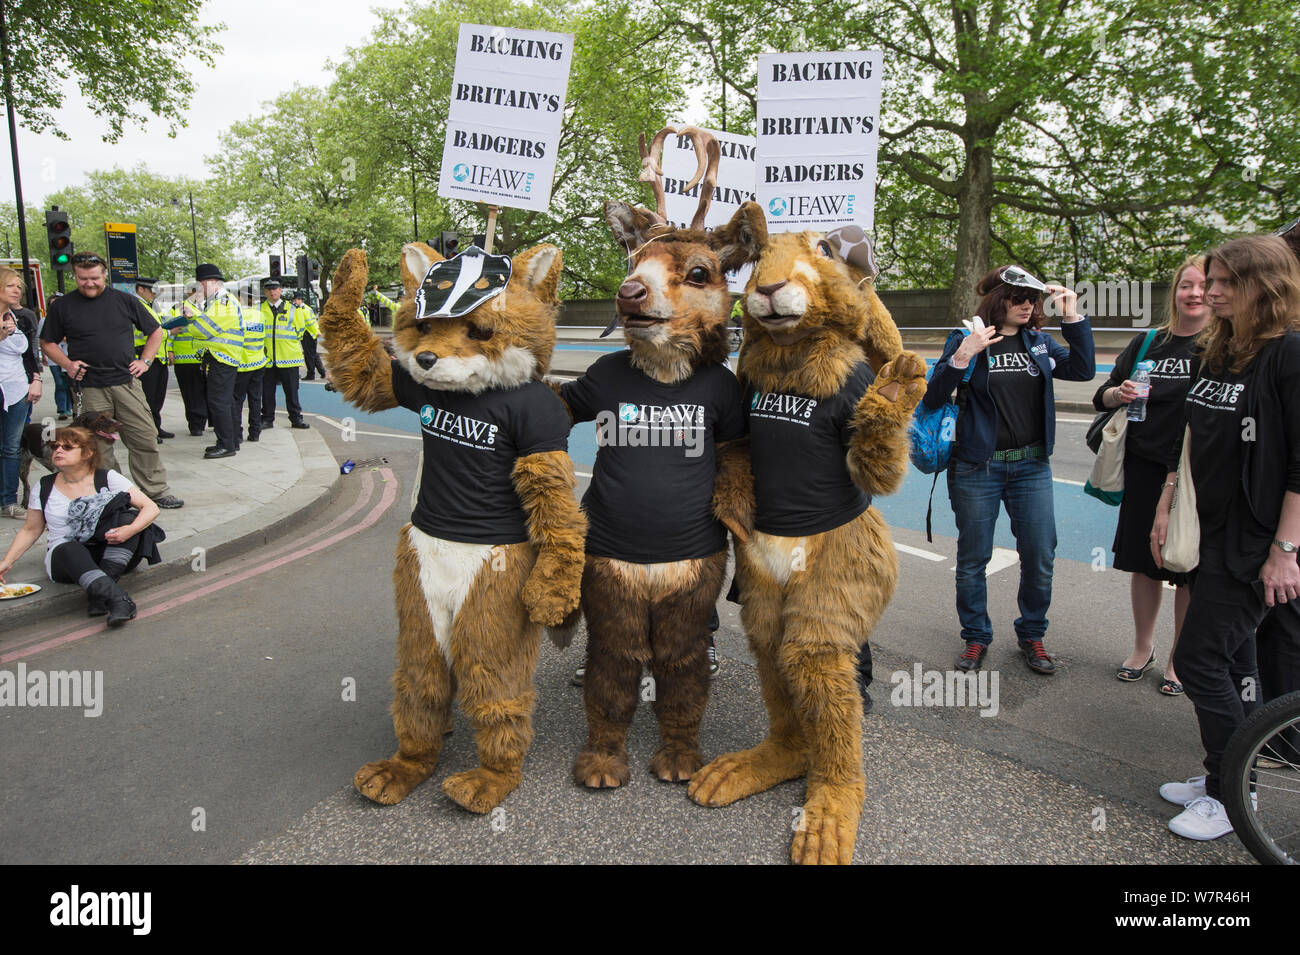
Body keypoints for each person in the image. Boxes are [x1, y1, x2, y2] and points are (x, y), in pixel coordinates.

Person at [1153, 235, 1300, 841]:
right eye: (1207, 281)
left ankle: (1229, 791)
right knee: (1235, 660)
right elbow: (1191, 442)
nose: (1209, 291)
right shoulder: (1223, 349)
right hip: (1207, 532)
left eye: (1223, 283)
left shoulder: (1287, 354)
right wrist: (1165, 506)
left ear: (1261, 287)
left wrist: (1285, 551)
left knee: (1197, 659)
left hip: (1252, 541)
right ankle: (1232, 776)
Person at [922, 265, 1095, 675]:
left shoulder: (1039, 342)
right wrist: (966, 353)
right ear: (998, 299)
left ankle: (1032, 633)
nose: (1026, 305)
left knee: (1039, 553)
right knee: (973, 557)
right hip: (977, 468)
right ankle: (976, 637)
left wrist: (1073, 314)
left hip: (1031, 466)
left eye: (1032, 299)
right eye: (1018, 298)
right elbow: (933, 397)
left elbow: (1083, 370)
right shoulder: (966, 339)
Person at [1094, 256, 1210, 694]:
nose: (1194, 293)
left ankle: (1180, 659)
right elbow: (1099, 398)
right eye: (1186, 285)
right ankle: (1143, 647)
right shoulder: (1148, 343)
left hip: (1194, 473)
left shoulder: (1221, 344)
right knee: (1145, 563)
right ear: (1175, 292)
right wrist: (1115, 393)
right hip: (1143, 468)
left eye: (1203, 286)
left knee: (1185, 564)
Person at [0, 426, 160, 626]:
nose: (58, 450)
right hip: (68, 560)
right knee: (68, 547)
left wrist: (130, 530)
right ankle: (118, 599)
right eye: (55, 446)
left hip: (112, 553)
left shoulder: (107, 477)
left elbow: (151, 507)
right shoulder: (44, 486)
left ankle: (100, 594)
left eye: (67, 447)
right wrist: (7, 561)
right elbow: (31, 529)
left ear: (87, 453)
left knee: (130, 518)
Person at [177, 263, 244, 458]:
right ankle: (230, 442)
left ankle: (226, 445)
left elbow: (204, 330)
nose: (200, 290)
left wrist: (190, 318)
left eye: (201, 285)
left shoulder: (224, 302)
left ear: (211, 282)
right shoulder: (218, 302)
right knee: (225, 402)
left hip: (222, 357)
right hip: (220, 358)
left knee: (218, 402)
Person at [1, 267, 42, 518]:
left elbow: (30, 354)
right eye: (10, 286)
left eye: (19, 287)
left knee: (11, 447)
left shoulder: (22, 318)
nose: (17, 290)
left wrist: (36, 379)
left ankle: (8, 500)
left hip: (17, 388)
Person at [258, 280, 310, 430]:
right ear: (265, 292)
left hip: (288, 358)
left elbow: (300, 331)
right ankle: (267, 419)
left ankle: (296, 419)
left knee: (292, 392)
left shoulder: (292, 309)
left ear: (280, 291)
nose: (271, 292)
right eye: (268, 290)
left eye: (274, 289)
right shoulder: (259, 309)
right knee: (267, 392)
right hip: (267, 359)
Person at [132, 278, 173, 441]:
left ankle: (156, 427)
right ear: (140, 289)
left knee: (157, 398)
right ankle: (148, 432)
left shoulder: (150, 306)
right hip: (145, 358)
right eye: (152, 291)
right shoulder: (136, 306)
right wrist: (169, 333)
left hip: (158, 358)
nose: (155, 294)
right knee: (147, 398)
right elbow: (145, 332)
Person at [163, 285, 208, 436]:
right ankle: (196, 425)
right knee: (191, 394)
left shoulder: (208, 307)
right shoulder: (179, 308)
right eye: (195, 292)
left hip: (205, 357)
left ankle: (209, 421)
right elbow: (169, 331)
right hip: (186, 359)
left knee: (208, 392)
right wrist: (169, 350)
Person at [42, 294, 73, 419]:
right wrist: (44, 356)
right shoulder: (44, 321)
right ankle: (62, 409)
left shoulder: (70, 318)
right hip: (54, 359)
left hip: (69, 357)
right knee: (60, 383)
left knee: (69, 384)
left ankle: (70, 407)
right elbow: (42, 340)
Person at [297, 290, 326, 380]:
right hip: (311, 334)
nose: (294, 302)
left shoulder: (303, 310)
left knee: (309, 355)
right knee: (313, 354)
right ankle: (322, 372)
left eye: (295, 300)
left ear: (300, 300)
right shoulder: (306, 308)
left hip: (308, 334)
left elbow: (309, 323)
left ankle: (311, 373)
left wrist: (315, 332)